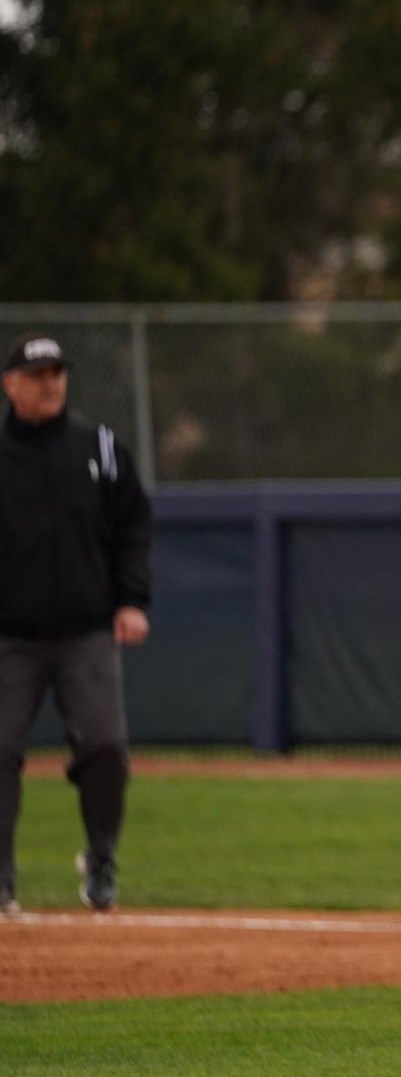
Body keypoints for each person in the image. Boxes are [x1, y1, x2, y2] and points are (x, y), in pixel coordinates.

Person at [0, 334, 152, 916]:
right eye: (38, 374)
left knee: (107, 748)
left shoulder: (101, 449)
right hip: (9, 635)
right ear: (10, 383)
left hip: (86, 629)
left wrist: (132, 599)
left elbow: (134, 526)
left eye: (57, 373)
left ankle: (102, 859)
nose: (50, 384)